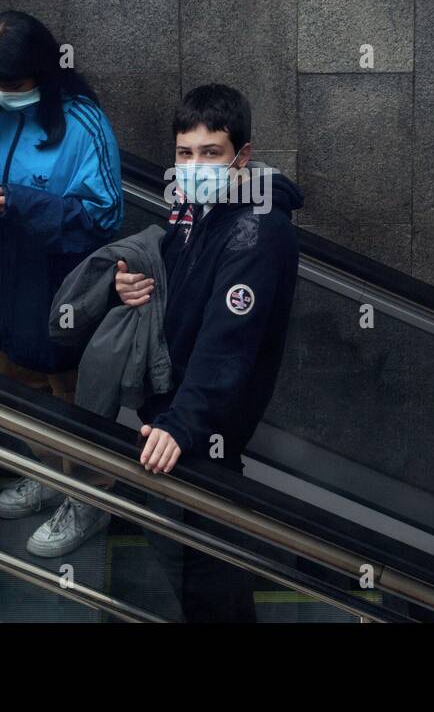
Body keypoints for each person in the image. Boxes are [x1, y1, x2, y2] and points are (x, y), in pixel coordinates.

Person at [115, 83, 303, 622]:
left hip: (200, 426)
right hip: (174, 415)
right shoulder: (194, 207)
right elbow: (173, 280)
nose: (194, 166)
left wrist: (182, 423)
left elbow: (229, 344)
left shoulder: (257, 231)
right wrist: (127, 287)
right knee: (183, 549)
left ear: (240, 156)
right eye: (184, 153)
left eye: (210, 153)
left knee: (210, 562)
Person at [0, 11, 124, 557]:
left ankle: (90, 499)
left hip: (61, 289)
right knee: (21, 389)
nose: (6, 96)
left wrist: (21, 202)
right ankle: (49, 474)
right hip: (2, 281)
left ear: (44, 73)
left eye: (17, 85)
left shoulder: (83, 123)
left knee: (75, 402)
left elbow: (105, 215)